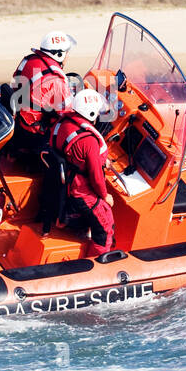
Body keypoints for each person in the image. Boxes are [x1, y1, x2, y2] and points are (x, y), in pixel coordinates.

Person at [51, 88, 114, 257]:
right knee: (106, 226)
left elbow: (78, 157)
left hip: (63, 185)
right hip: (81, 192)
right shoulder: (89, 141)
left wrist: (101, 161)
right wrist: (104, 196)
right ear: (91, 113)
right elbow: (96, 177)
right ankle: (98, 264)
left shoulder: (63, 124)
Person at [9, 31, 76, 156]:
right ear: (59, 54)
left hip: (19, 119)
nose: (68, 56)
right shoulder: (55, 79)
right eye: (67, 52)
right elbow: (68, 113)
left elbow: (15, 82)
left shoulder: (28, 60)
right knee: (72, 126)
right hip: (33, 131)